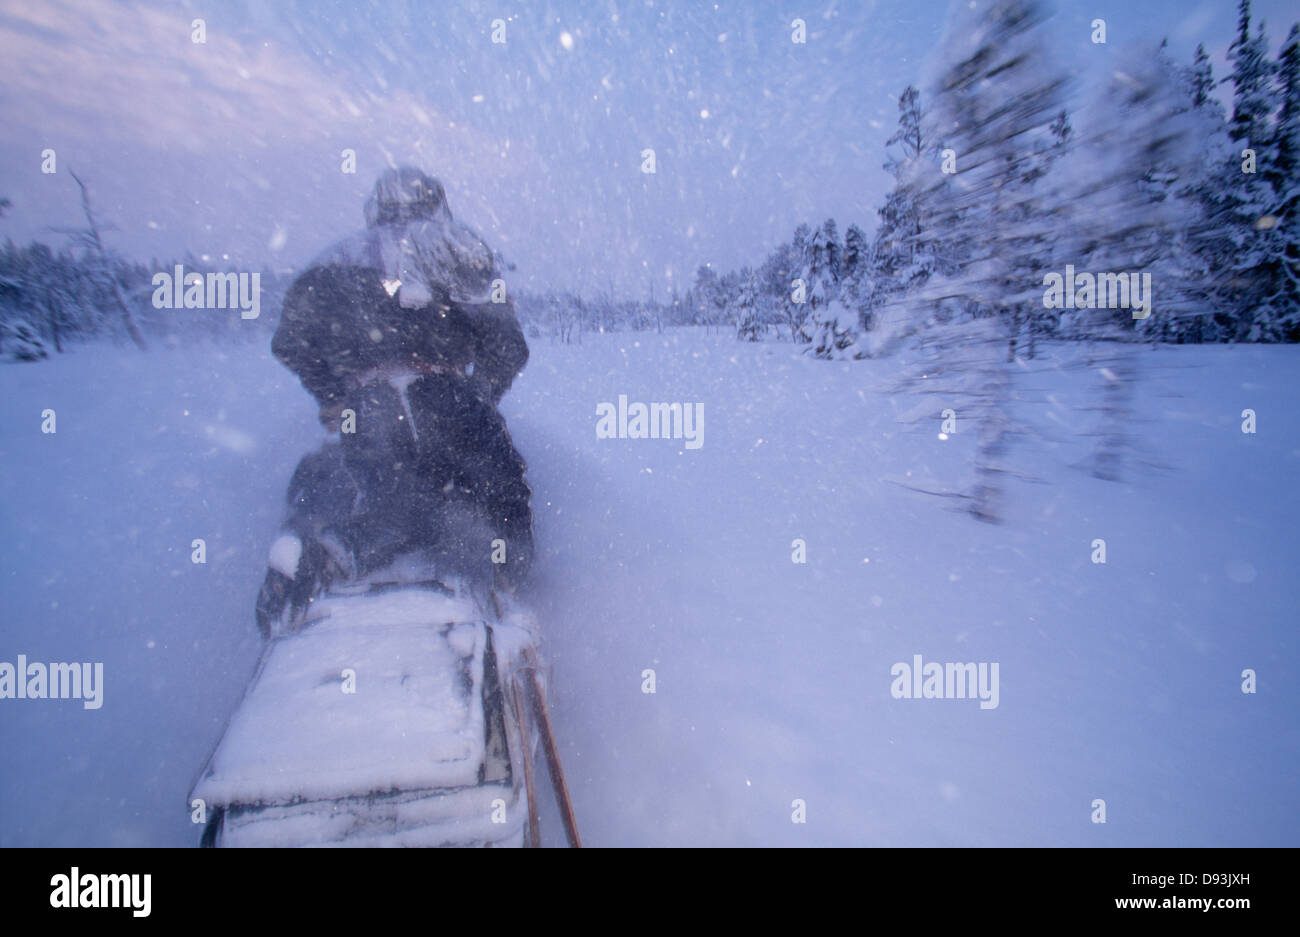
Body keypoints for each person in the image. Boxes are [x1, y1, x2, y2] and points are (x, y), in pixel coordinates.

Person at [255, 167, 533, 638]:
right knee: (498, 491)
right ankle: (503, 566)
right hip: (446, 393)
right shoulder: (455, 246)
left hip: (367, 404)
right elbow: (508, 345)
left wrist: (333, 395)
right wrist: (480, 396)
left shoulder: (334, 258)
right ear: (435, 203)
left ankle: (328, 546)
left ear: (379, 207)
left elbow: (290, 341)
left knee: (388, 489)